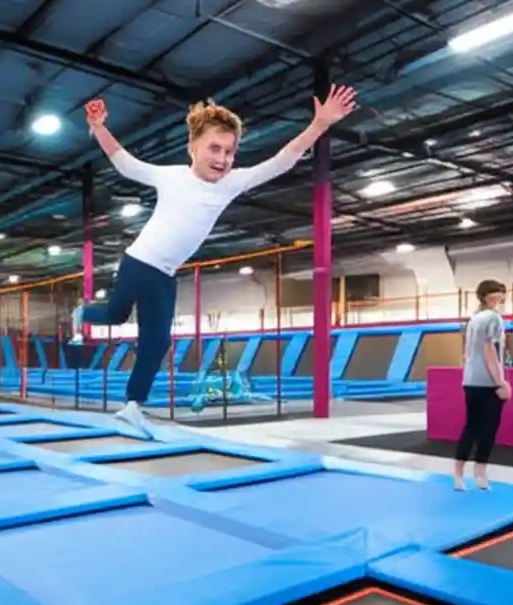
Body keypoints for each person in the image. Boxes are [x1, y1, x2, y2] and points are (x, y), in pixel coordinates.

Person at [71, 84, 358, 434]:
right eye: (214, 149)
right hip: (137, 262)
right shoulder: (171, 176)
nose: (222, 159)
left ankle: (132, 407)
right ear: (193, 148)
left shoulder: (230, 183)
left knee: (158, 340)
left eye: (229, 151)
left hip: (163, 273)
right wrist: (99, 126)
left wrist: (319, 125)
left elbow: (280, 162)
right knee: (114, 315)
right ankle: (83, 312)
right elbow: (124, 162)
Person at [453, 279, 512, 491]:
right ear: (490, 296)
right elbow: (490, 352)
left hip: (470, 380)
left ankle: (459, 475)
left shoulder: (474, 319)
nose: (502, 298)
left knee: (471, 427)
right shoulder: (493, 318)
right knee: (488, 429)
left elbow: (467, 352)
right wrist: (501, 382)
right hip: (487, 382)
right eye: (500, 293)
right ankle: (480, 474)